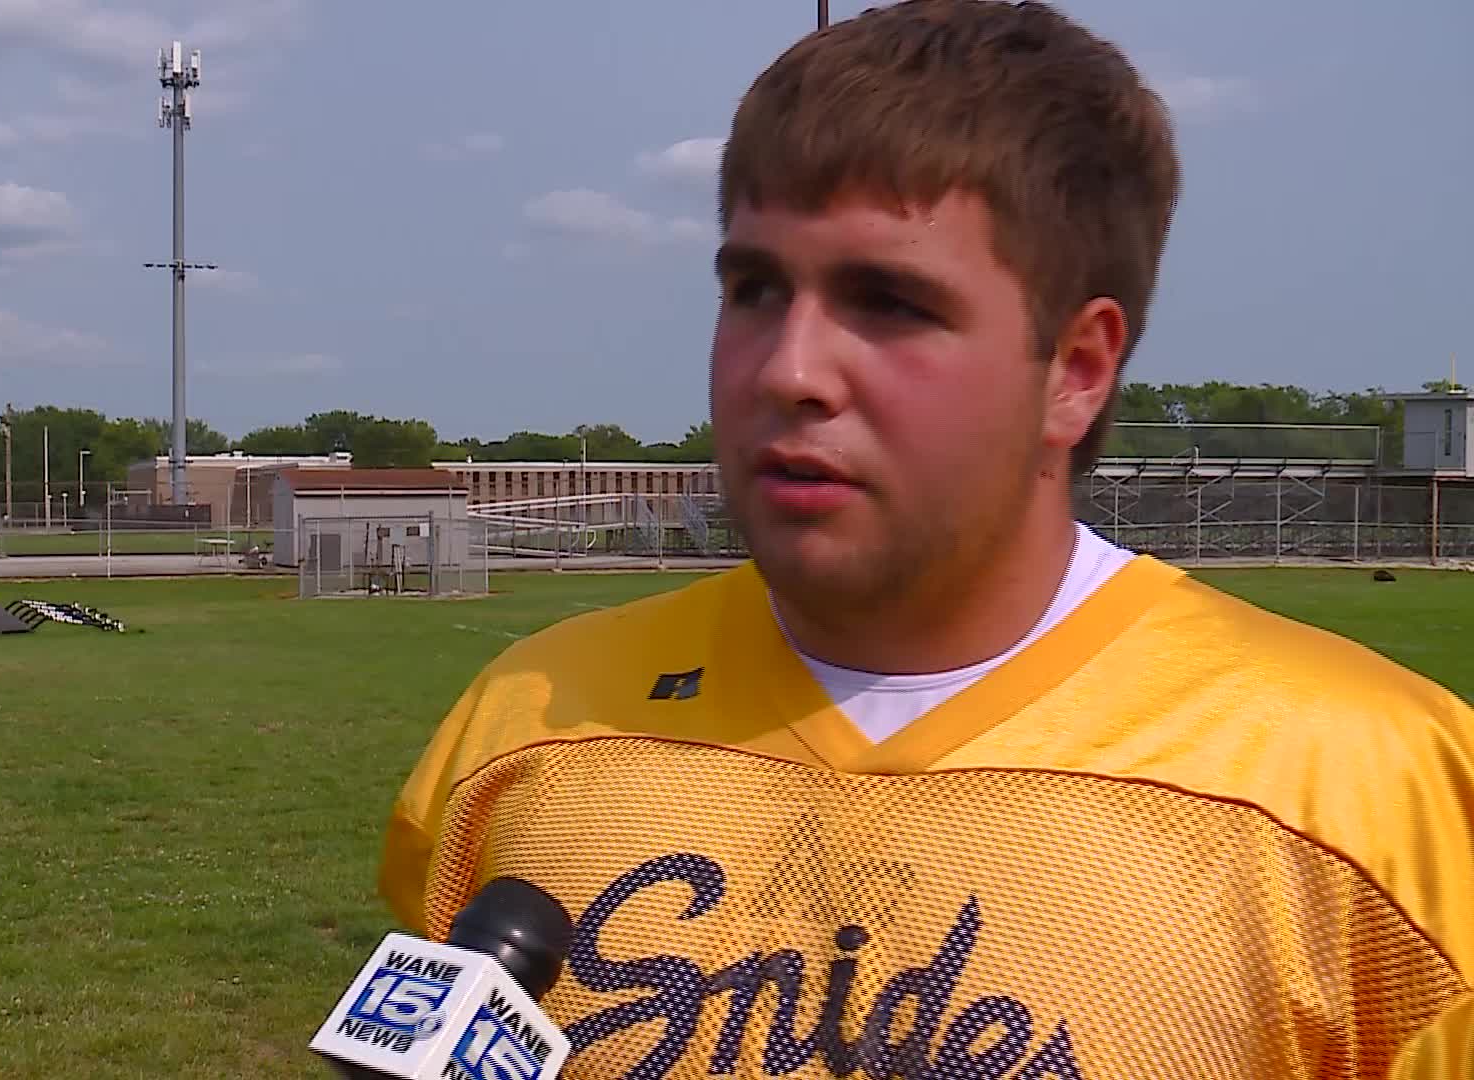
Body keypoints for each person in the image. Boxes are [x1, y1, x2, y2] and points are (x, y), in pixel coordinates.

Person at [377, 1, 1474, 1076]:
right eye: (755, 289)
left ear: (1076, 371)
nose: (790, 371)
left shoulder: (1367, 797)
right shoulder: (530, 727)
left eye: (890, 303)